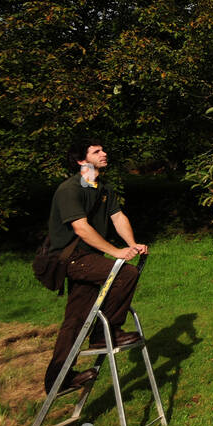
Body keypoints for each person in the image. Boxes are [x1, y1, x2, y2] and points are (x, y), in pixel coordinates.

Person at [43, 138, 149, 394]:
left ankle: (58, 379)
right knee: (125, 273)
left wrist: (132, 244)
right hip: (69, 258)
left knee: (76, 320)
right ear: (82, 160)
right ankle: (106, 333)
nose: (104, 153)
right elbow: (81, 227)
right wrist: (116, 253)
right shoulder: (71, 189)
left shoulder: (103, 188)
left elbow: (118, 217)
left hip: (89, 259)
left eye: (103, 148)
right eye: (96, 151)